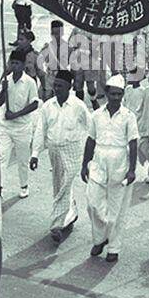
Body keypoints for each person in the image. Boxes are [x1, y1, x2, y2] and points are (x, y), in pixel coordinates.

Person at [82, 75, 138, 264]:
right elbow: (90, 140)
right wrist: (85, 164)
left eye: (119, 94)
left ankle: (113, 247)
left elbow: (133, 142)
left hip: (119, 162)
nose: (116, 98)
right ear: (105, 93)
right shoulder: (96, 115)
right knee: (93, 204)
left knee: (116, 212)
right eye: (112, 94)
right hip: (99, 160)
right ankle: (100, 238)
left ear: (123, 94)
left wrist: (132, 170)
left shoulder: (129, 116)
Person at [29, 69, 90, 243]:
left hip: (72, 150)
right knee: (59, 186)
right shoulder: (48, 106)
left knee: (65, 184)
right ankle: (71, 213)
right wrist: (35, 154)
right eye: (55, 85)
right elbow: (41, 130)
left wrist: (92, 154)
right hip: (54, 151)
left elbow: (90, 128)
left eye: (60, 86)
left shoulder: (79, 106)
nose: (56, 89)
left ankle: (57, 225)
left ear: (69, 87)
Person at [0, 49, 40, 198]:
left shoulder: (30, 82)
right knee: (2, 157)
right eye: (12, 63)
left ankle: (24, 185)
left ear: (23, 65)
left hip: (22, 127)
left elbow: (34, 104)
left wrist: (15, 115)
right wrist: (3, 91)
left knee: (22, 160)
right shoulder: (6, 80)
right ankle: (0, 188)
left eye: (17, 63)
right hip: (6, 127)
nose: (14, 66)